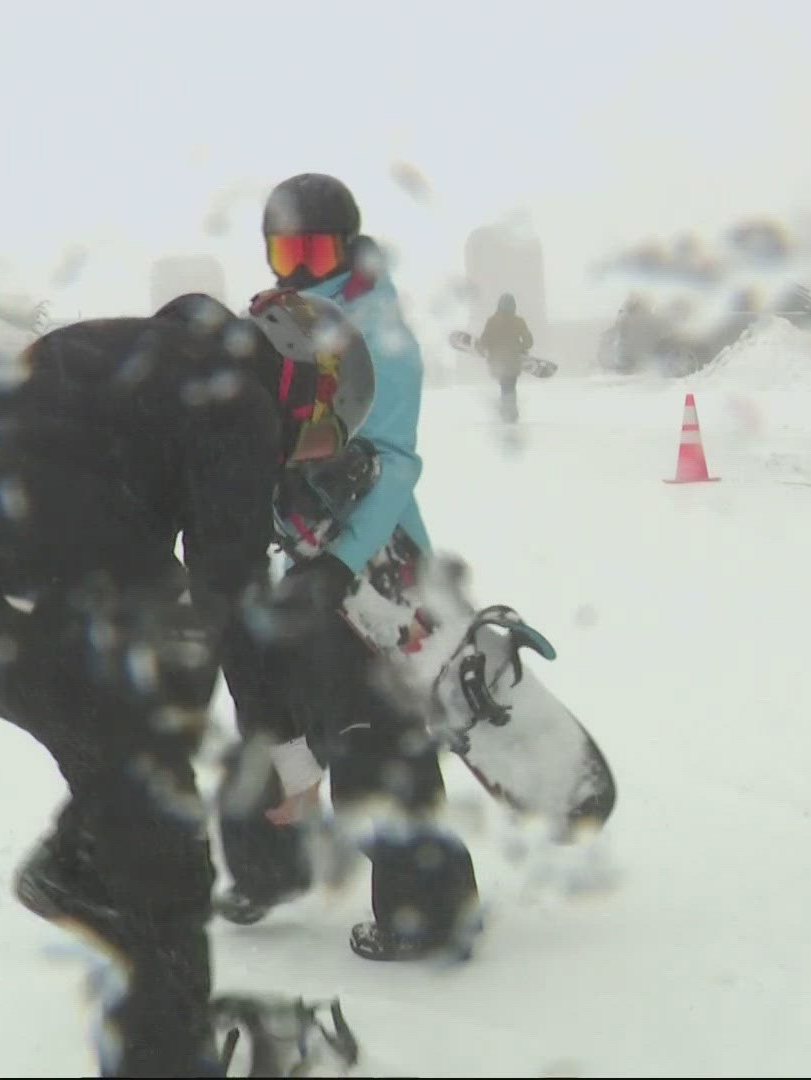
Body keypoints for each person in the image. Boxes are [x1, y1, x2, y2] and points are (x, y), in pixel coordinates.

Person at [0, 289, 375, 1076]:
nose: (305, 453)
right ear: (305, 382)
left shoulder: (125, 348)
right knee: (169, 874)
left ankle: (81, 870)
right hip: (63, 627)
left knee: (142, 756)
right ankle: (169, 1052)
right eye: (321, 434)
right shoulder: (242, 406)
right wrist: (289, 752)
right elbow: (237, 602)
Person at [213, 171, 482, 963]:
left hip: (366, 559)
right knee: (265, 709)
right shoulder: (272, 321)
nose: (297, 267)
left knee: (371, 730)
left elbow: (395, 463)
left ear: (348, 246)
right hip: (279, 548)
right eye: (283, 251)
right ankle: (270, 866)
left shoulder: (377, 331)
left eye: (315, 250)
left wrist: (339, 563)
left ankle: (428, 909)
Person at [476, 293, 533, 422]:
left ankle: (507, 411)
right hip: (513, 361)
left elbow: (485, 340)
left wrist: (481, 349)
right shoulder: (519, 321)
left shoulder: (492, 321)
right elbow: (529, 341)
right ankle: (510, 412)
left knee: (504, 385)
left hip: (497, 362)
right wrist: (522, 348)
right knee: (510, 385)